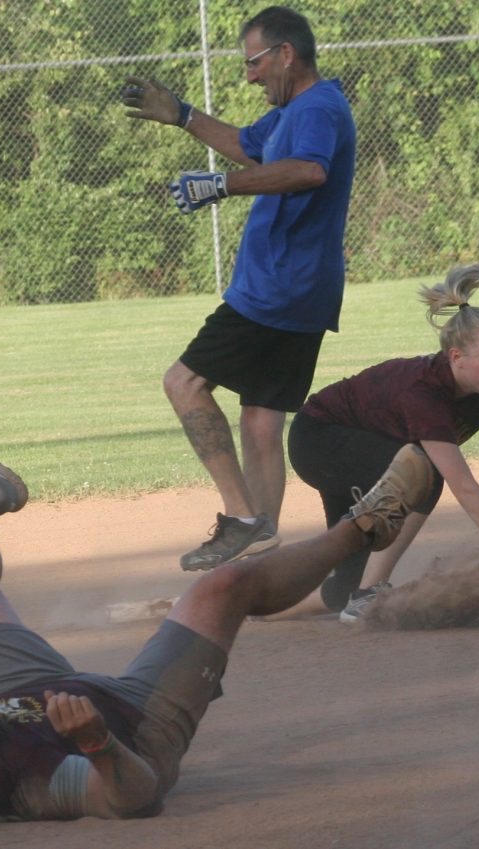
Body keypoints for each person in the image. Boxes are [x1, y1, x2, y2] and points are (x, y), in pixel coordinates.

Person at [0, 408, 432, 822]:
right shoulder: (29, 775)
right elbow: (133, 799)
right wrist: (98, 743)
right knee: (225, 586)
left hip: (29, 693)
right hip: (133, 725)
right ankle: (366, 528)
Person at [121, 6, 357, 571]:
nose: (248, 76)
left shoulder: (319, 107)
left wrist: (220, 187)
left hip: (278, 290)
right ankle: (259, 559)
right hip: (300, 292)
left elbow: (309, 170)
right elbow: (251, 147)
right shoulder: (295, 111)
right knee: (260, 420)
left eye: (254, 63)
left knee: (184, 383)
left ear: (285, 55)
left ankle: (242, 521)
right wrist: (182, 115)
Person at [279, 263, 479, 625]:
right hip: (320, 440)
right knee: (426, 473)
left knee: (343, 582)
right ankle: (369, 593)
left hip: (357, 447)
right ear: (456, 358)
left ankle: (253, 607)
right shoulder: (423, 393)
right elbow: (464, 487)